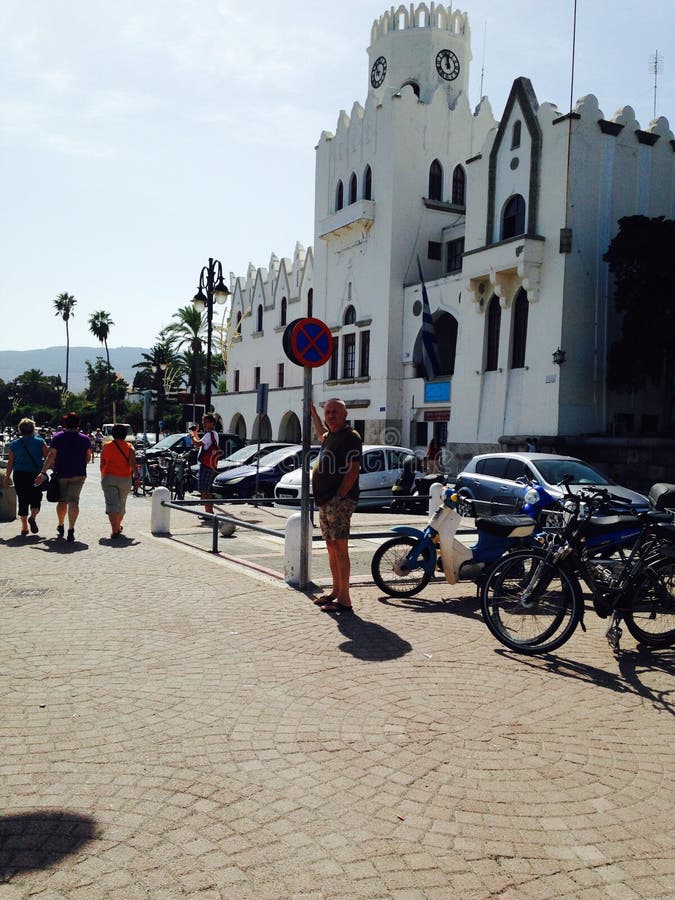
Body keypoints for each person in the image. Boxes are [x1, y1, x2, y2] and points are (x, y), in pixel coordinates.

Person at [310, 398, 362, 614]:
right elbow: (321, 432)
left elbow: (353, 469)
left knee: (340, 548)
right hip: (326, 500)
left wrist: (339, 496)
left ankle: (345, 600)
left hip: (339, 501)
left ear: (345, 415)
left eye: (335, 412)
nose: (330, 415)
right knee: (331, 547)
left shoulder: (350, 437)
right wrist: (313, 413)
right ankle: (335, 591)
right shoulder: (330, 436)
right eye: (328, 412)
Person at [36, 412, 92, 542]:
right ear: (78, 424)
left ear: (65, 424)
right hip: (79, 474)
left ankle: (61, 524)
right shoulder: (85, 439)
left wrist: (43, 472)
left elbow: (51, 455)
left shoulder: (58, 437)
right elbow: (88, 458)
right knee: (74, 501)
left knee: (62, 501)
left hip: (61, 473)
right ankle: (71, 529)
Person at [3, 417, 49, 536]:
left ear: (20, 429)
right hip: (36, 474)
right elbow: (48, 458)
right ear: (33, 429)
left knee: (22, 499)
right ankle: (32, 517)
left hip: (20, 474)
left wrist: (7, 477)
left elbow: (10, 462)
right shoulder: (40, 442)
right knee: (36, 497)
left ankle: (24, 527)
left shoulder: (14, 444)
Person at [99, 423, 138, 538]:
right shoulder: (129, 447)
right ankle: (117, 527)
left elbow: (102, 463)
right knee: (121, 505)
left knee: (111, 504)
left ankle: (115, 528)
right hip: (124, 478)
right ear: (125, 434)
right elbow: (133, 463)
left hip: (108, 477)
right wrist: (136, 477)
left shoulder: (106, 446)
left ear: (113, 434)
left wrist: (103, 476)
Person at [188, 413, 220, 520]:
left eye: (206, 422)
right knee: (206, 489)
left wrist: (192, 435)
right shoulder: (213, 434)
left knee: (205, 490)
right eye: (203, 422)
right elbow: (200, 443)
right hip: (209, 464)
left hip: (206, 465)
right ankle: (208, 512)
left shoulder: (210, 434)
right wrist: (195, 434)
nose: (203, 424)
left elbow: (197, 444)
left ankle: (209, 513)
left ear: (212, 423)